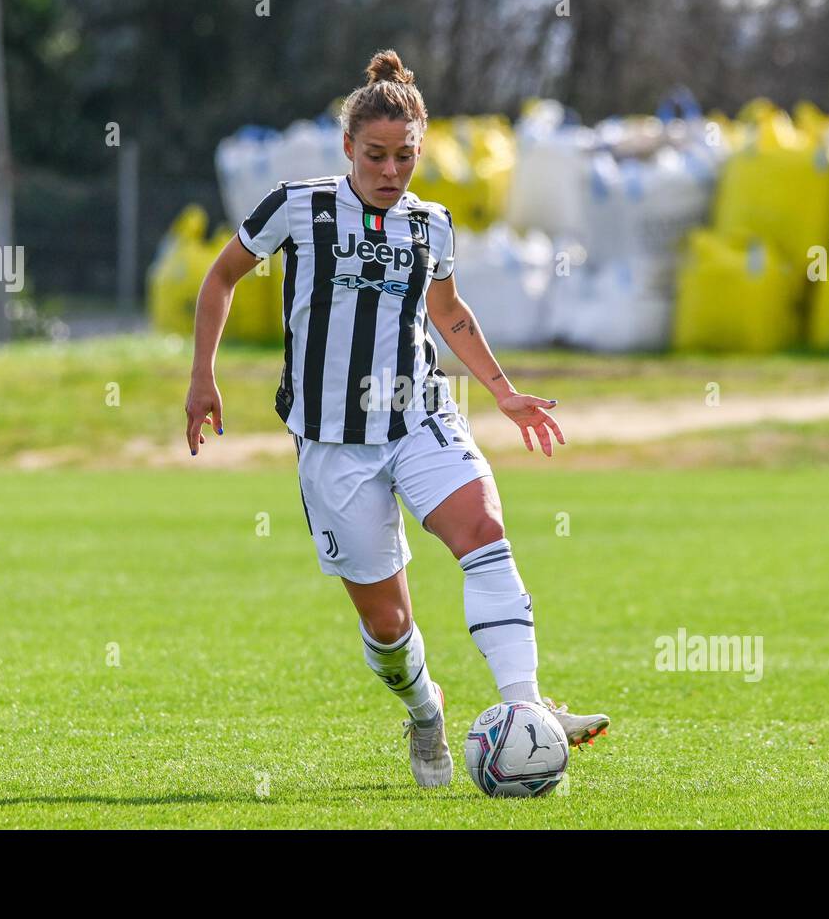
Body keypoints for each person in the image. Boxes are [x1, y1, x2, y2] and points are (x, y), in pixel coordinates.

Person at [185, 49, 609, 788]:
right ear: (348, 147)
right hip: (331, 444)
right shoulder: (298, 205)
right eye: (375, 155)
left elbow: (448, 312)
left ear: (420, 151)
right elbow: (221, 276)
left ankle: (527, 707)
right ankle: (425, 713)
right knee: (387, 628)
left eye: (404, 157)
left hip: (419, 416)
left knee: (482, 530)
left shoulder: (432, 225)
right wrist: (202, 377)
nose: (390, 171)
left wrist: (504, 392)